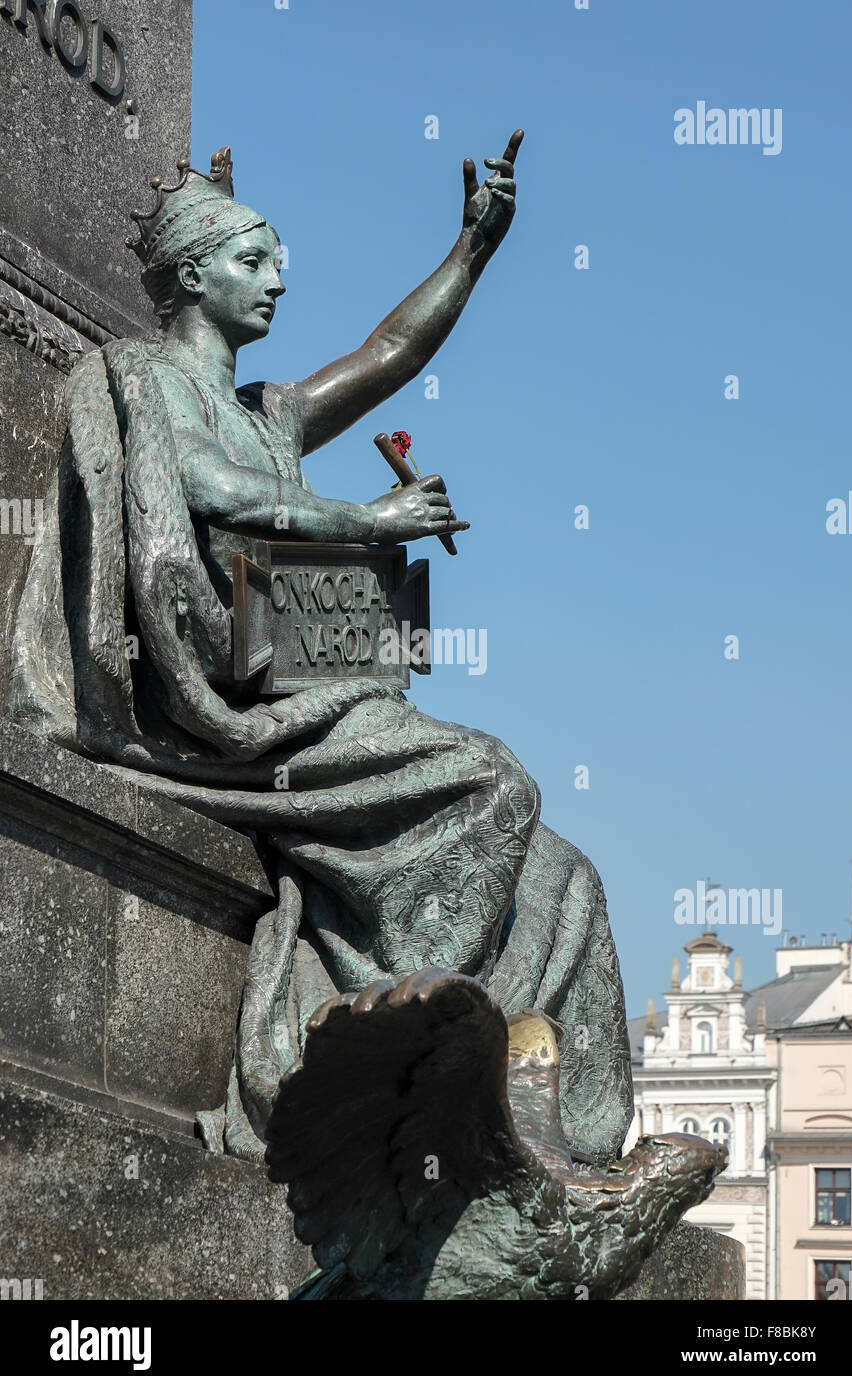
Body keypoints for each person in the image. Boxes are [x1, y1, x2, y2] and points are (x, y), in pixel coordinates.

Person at [8, 140, 632, 1163]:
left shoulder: (274, 414)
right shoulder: (141, 378)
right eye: (254, 258)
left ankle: (543, 1142)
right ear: (191, 271)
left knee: (564, 878)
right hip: (230, 706)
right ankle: (375, 1076)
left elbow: (389, 351)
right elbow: (208, 487)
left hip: (308, 687)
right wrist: (366, 517)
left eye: (277, 258)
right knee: (495, 785)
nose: (279, 277)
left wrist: (470, 250)